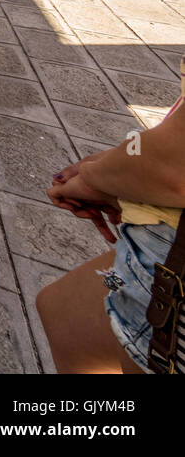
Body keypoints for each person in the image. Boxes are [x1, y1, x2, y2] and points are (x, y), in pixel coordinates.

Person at [36, 62, 185, 374]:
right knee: (63, 316)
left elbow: (177, 168)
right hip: (166, 236)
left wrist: (93, 179)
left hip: (170, 266)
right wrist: (113, 172)